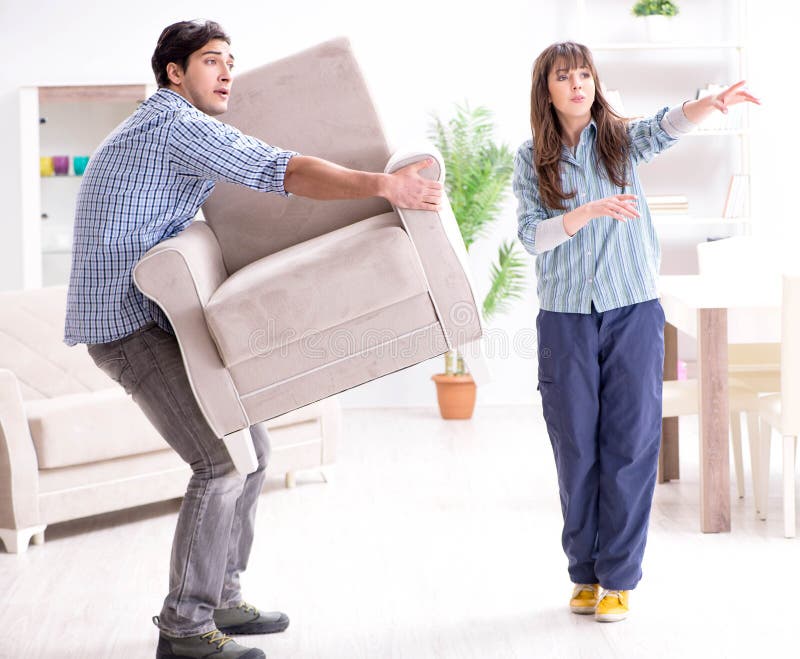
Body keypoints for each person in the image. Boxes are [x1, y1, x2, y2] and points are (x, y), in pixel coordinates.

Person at [64, 19, 442, 659]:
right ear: (175, 74)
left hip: (149, 319)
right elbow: (280, 171)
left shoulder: (163, 126)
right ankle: (184, 629)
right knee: (220, 461)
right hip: (127, 327)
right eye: (213, 61)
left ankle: (222, 597)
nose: (228, 73)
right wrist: (384, 184)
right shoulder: (173, 124)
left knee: (253, 446)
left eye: (231, 61)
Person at [513, 41, 759, 623]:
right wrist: (584, 214)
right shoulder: (531, 159)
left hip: (633, 312)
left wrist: (709, 104)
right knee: (575, 448)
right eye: (564, 77)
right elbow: (531, 236)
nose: (578, 84)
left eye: (585, 75)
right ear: (546, 90)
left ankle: (618, 579)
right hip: (565, 318)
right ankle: (584, 572)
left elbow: (664, 127)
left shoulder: (618, 139)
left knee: (630, 446)